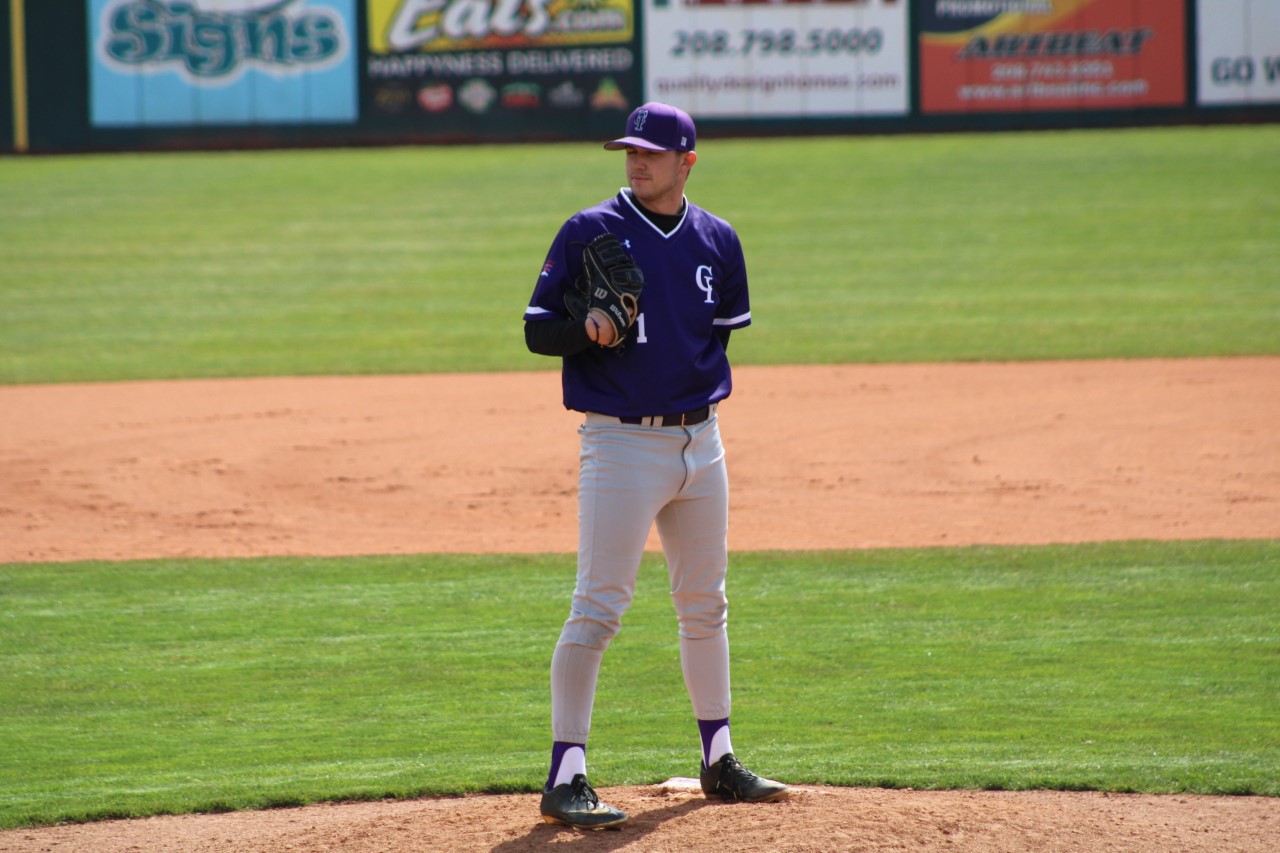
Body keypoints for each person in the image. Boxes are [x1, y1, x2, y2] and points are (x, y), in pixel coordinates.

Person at [522, 102, 788, 830]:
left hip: (703, 442)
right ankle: (566, 773)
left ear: (686, 162)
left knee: (706, 603)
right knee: (599, 606)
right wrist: (588, 328)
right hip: (621, 444)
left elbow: (715, 343)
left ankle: (720, 757)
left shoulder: (717, 239)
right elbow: (536, 329)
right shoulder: (589, 230)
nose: (636, 163)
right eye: (628, 152)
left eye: (651, 152)